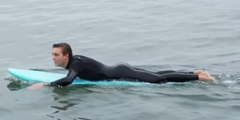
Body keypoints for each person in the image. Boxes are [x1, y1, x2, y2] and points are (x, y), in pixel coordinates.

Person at [31, 43, 216, 88]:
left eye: (56, 55)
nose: (53, 58)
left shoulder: (75, 63)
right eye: (52, 54)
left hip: (120, 73)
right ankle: (193, 72)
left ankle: (199, 77)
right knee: (156, 73)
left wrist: (47, 85)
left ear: (66, 55)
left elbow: (69, 80)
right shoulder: (75, 61)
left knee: (158, 79)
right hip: (120, 68)